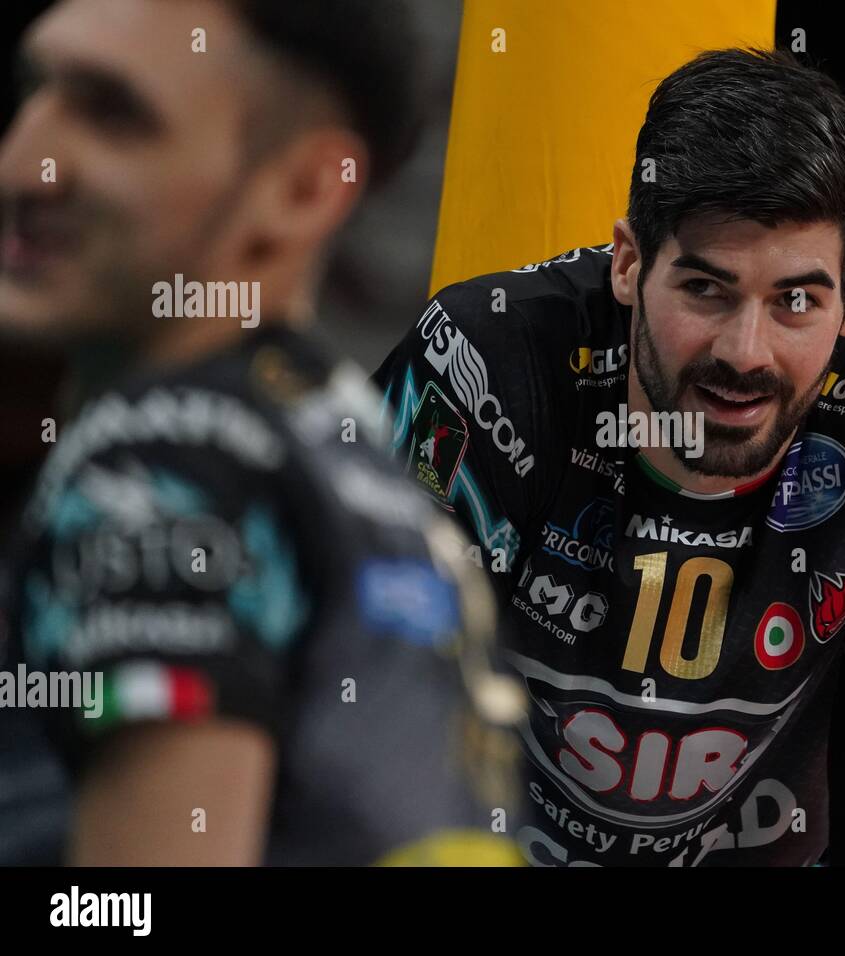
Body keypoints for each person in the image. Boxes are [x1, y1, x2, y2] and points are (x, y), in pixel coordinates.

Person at [374, 47, 845, 866]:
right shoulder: (486, 365)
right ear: (630, 263)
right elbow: (363, 732)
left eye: (795, 300)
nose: (745, 354)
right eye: (705, 289)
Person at [0, 0, 520, 865]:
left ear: (304, 189)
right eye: (35, 93)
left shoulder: (164, 459)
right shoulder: (337, 437)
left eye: (113, 115)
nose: (24, 166)